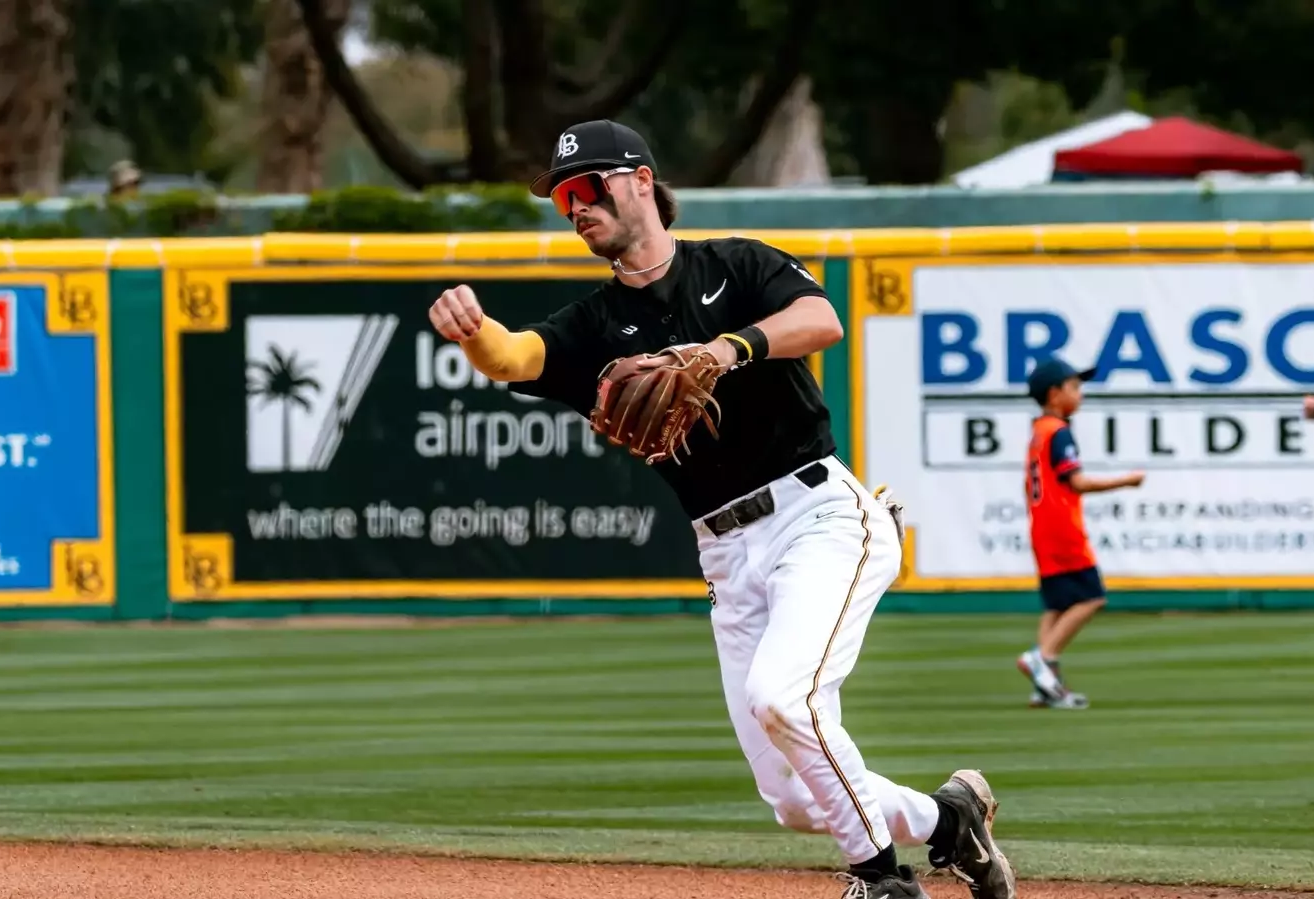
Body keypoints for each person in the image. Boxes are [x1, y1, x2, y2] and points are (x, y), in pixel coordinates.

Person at [427, 119, 1016, 899]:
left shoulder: (735, 265)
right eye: (563, 197)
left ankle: (881, 880)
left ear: (641, 180)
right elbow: (514, 355)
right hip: (726, 554)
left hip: (819, 516)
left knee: (783, 696)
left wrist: (724, 348)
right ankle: (952, 821)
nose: (574, 206)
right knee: (799, 799)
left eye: (586, 187)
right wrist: (474, 336)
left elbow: (821, 320)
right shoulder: (595, 327)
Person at [1017, 357, 1144, 710]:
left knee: (1058, 606)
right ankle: (1042, 658)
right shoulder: (1058, 431)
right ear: (1055, 394)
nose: (1080, 393)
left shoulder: (1039, 431)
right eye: (1074, 386)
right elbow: (1077, 482)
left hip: (1043, 527)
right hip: (1062, 527)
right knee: (1091, 597)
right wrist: (1126, 480)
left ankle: (1046, 685)